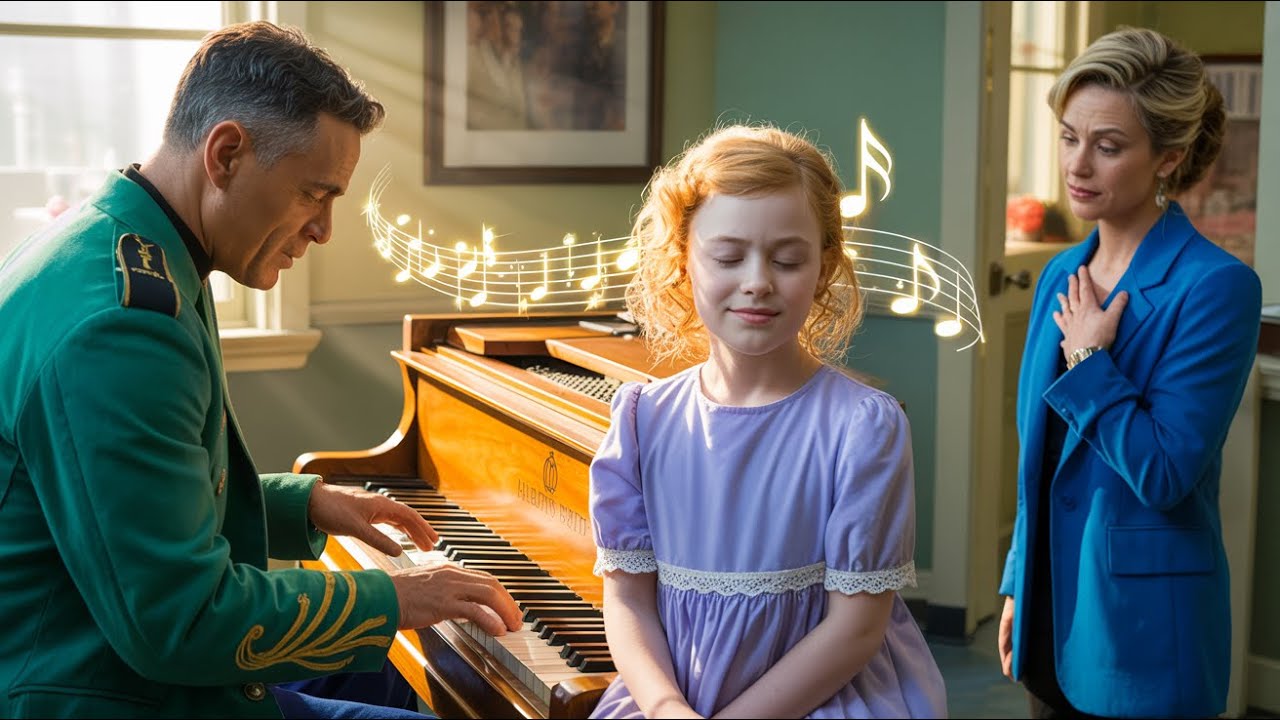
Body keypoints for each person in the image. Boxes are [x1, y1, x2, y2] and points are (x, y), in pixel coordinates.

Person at [0, 21, 521, 719]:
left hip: (102, 642)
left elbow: (129, 497)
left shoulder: (128, 247)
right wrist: (397, 598)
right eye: (316, 193)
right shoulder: (122, 328)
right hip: (96, 688)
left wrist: (301, 504)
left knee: (393, 680)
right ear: (227, 154)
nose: (323, 229)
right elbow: (182, 621)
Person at [587, 124, 948, 719]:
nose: (757, 281)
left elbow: (855, 632)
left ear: (825, 265)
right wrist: (664, 706)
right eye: (728, 257)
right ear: (682, 259)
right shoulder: (640, 420)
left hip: (821, 698)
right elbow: (627, 601)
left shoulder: (863, 428)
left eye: (786, 259)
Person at [996, 27, 1262, 719]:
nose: (1077, 165)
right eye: (1067, 137)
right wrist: (1018, 582)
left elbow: (1166, 473)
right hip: (1050, 607)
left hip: (1143, 629)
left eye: (1108, 147)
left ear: (1167, 159)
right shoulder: (1060, 271)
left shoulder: (1217, 287)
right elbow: (1039, 457)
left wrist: (1090, 359)